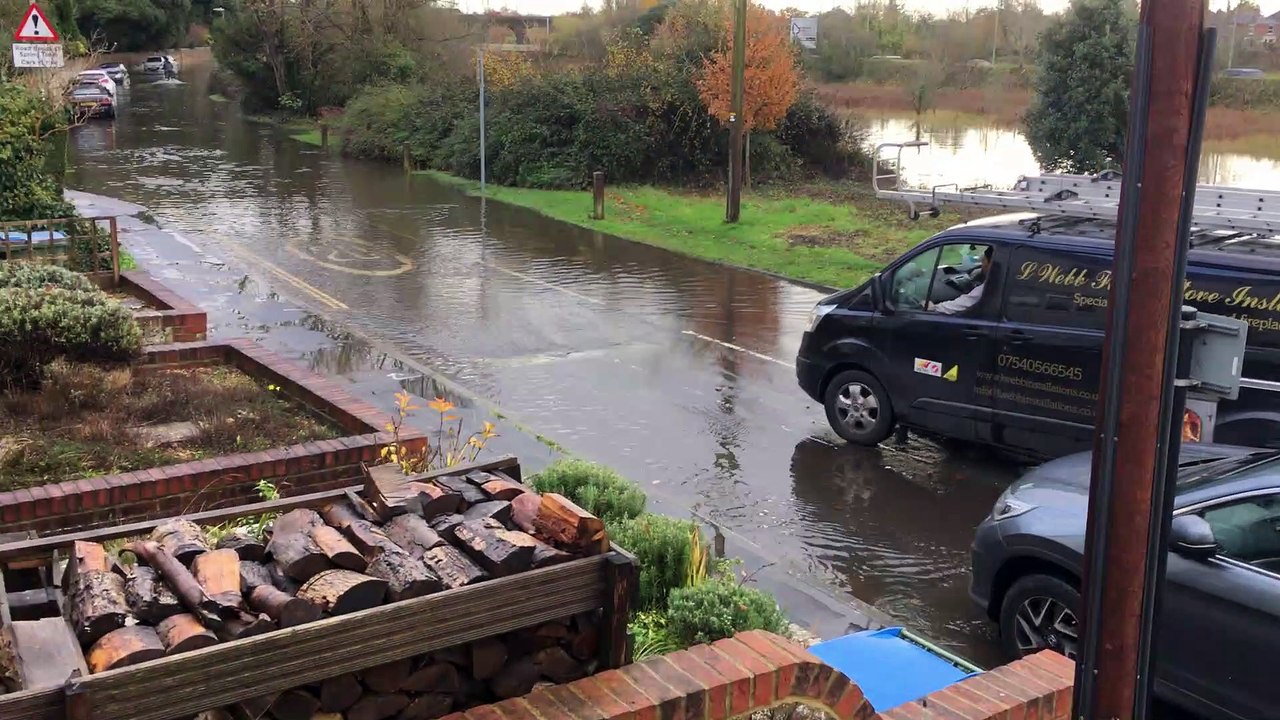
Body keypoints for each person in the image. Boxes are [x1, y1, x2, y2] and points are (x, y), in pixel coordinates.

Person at [928, 246, 991, 315]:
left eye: (984, 260)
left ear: (991, 264)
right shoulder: (999, 281)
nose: (982, 264)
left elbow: (966, 302)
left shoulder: (991, 286)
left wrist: (934, 308)